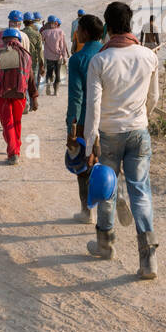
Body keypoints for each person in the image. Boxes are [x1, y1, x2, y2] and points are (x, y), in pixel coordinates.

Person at [83, 1, 161, 279]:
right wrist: (142, 118)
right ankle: (148, 259)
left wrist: (90, 139)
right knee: (140, 191)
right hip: (139, 133)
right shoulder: (149, 56)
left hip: (109, 134)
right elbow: (154, 98)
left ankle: (106, 244)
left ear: (108, 26)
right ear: (130, 24)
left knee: (106, 187)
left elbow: (93, 106)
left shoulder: (99, 60)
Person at [65, 14, 103, 223]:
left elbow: (76, 96)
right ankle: (111, 202)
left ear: (85, 33)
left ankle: (87, 211)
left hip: (83, 120)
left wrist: (71, 125)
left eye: (78, 29)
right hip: (108, 118)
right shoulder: (108, 54)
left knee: (82, 166)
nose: (75, 33)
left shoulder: (77, 59)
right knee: (105, 163)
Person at [0, 27, 38, 165]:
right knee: (16, 123)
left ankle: (13, 153)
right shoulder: (26, 55)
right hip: (20, 96)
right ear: (18, 40)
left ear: (3, 40)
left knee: (7, 123)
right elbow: (31, 78)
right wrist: (34, 97)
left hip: (3, 95)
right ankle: (16, 147)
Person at [41, 15, 69, 95]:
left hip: (48, 57)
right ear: (56, 23)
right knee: (57, 73)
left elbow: (41, 42)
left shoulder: (44, 32)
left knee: (49, 73)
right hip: (58, 57)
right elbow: (63, 46)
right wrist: (64, 57)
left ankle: (48, 86)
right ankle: (56, 91)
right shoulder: (60, 32)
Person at [22, 13, 45, 100]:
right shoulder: (37, 34)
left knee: (23, 81)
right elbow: (40, 51)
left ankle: (25, 101)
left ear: (23, 22)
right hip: (33, 62)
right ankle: (32, 101)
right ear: (32, 22)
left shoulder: (20, 33)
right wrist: (42, 66)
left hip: (22, 62)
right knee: (33, 82)